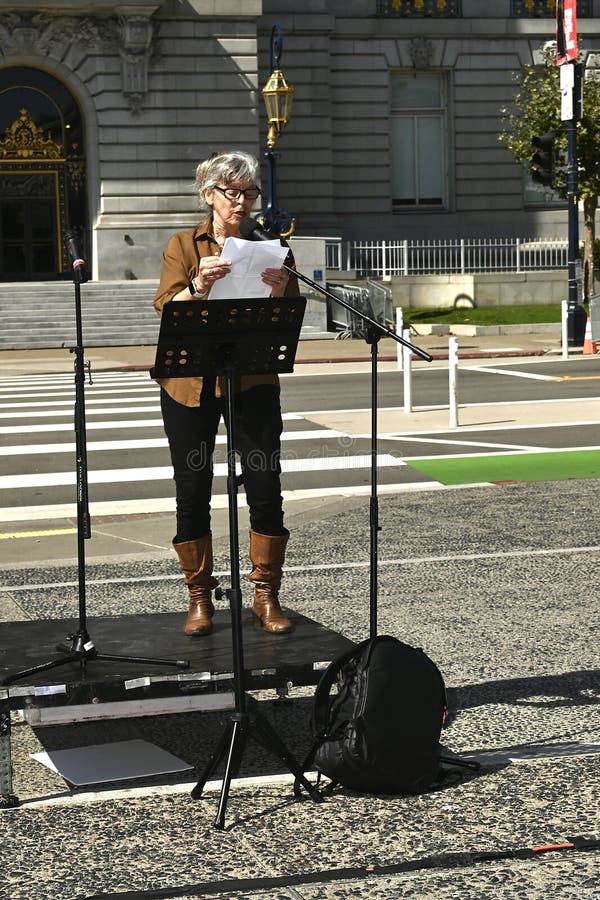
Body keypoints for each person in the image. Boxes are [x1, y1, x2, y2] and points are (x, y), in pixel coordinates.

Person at [153, 149, 299, 637]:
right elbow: (165, 307)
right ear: (208, 195)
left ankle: (265, 594)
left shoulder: (272, 245)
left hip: (252, 378)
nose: (241, 202)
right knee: (191, 488)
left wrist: (279, 286)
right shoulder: (182, 244)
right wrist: (197, 285)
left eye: (249, 193)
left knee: (265, 484)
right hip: (190, 382)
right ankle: (199, 596)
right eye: (231, 193)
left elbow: (288, 315)